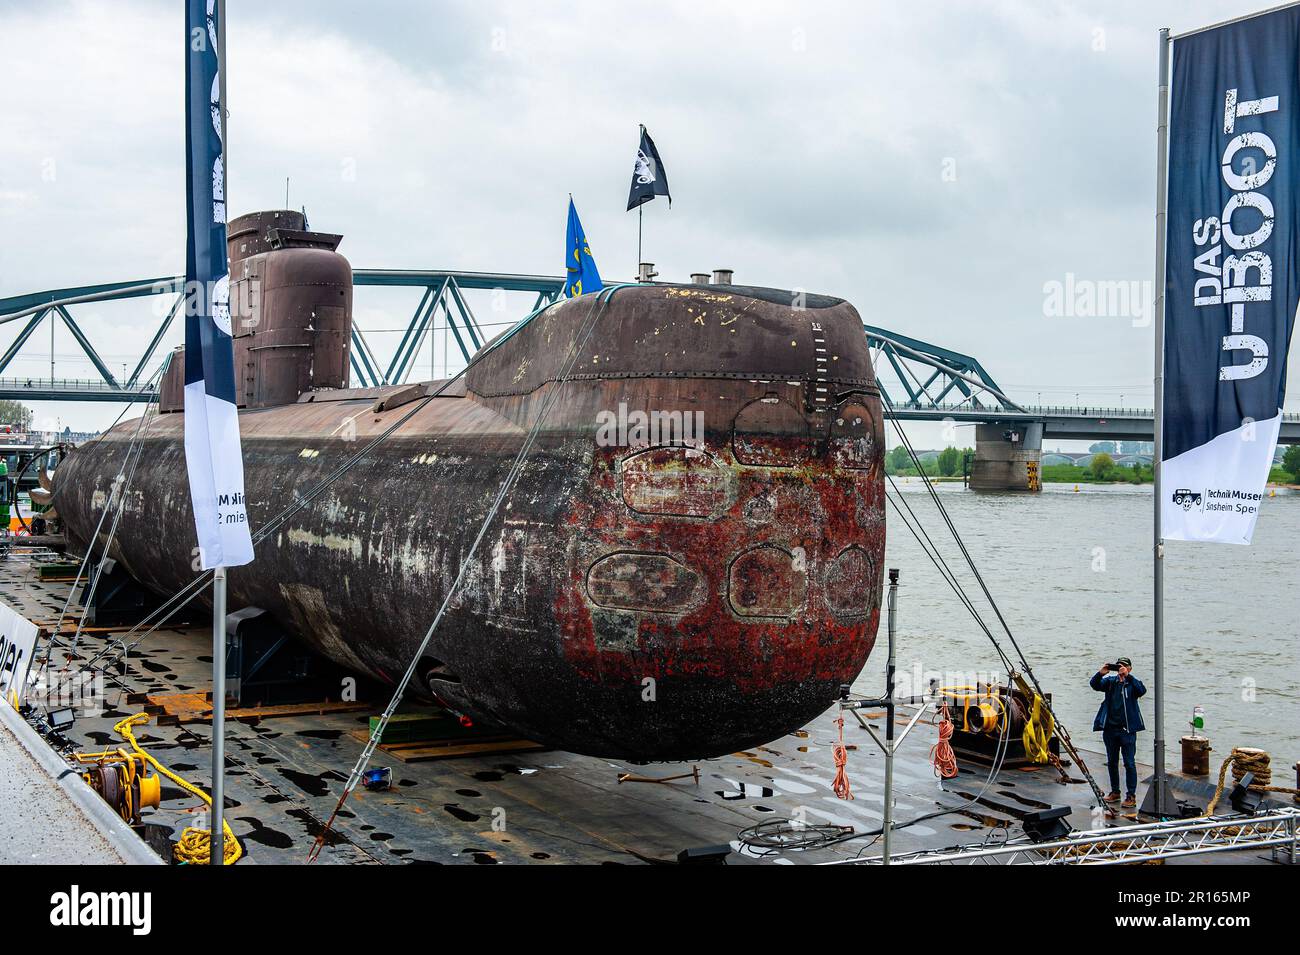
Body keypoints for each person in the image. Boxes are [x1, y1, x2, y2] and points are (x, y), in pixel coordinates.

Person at [1090, 656, 1146, 808]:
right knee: (1112, 762)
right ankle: (1115, 792)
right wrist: (1101, 673)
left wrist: (1128, 676)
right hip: (1110, 730)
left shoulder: (1132, 684)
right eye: (1119, 666)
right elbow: (1094, 685)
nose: (1121, 669)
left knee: (1129, 763)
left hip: (1127, 731)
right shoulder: (1110, 683)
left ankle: (1131, 795)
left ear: (1129, 669)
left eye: (1124, 667)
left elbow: (1142, 690)